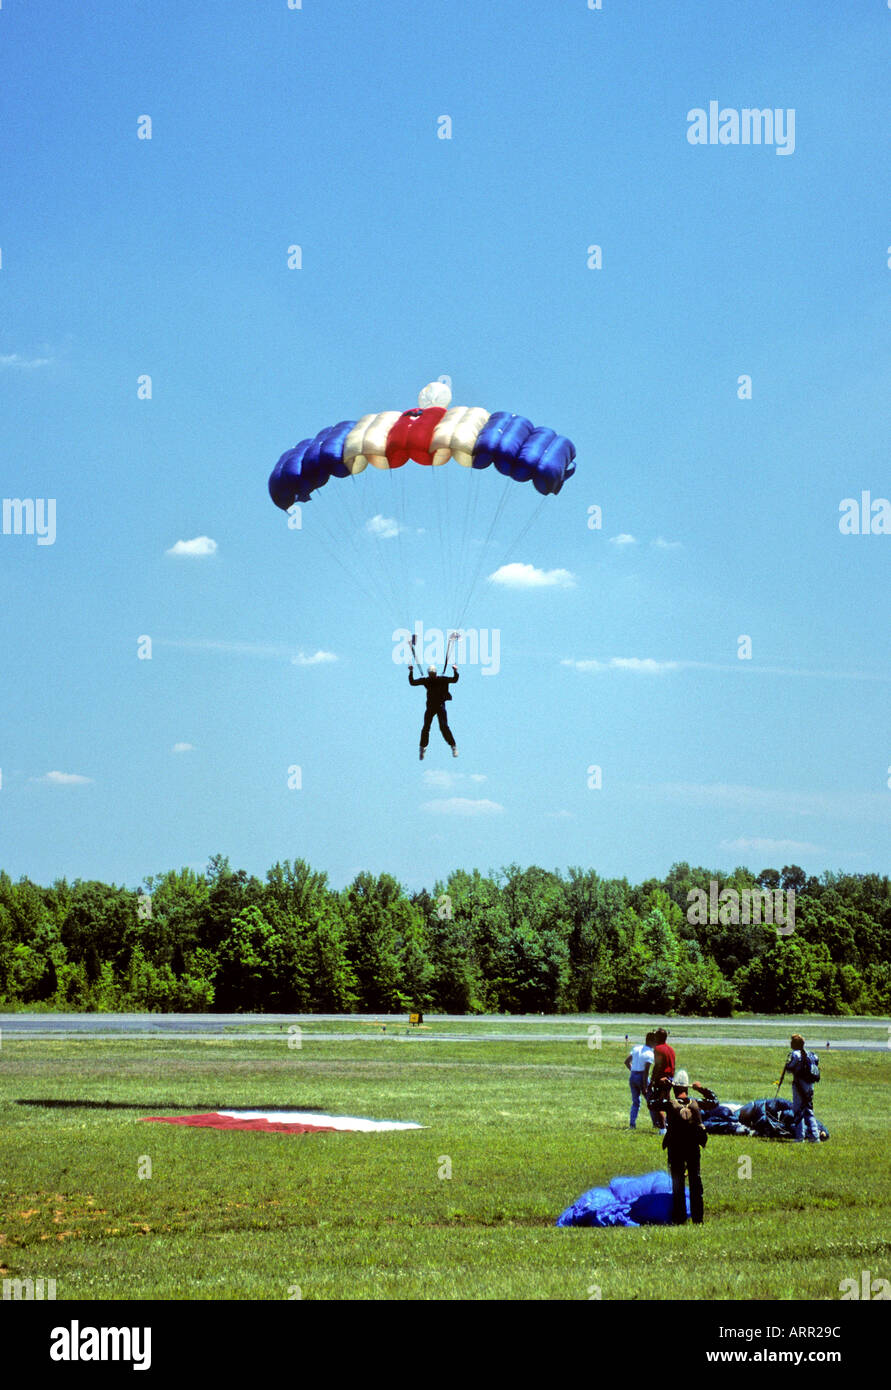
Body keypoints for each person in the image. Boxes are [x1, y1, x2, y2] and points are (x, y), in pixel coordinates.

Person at [661, 1069, 706, 1224]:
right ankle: (698, 1219)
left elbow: (651, 1103)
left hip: (676, 1148)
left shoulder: (669, 1104)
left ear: (674, 1089)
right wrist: (701, 1089)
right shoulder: (696, 1103)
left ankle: (679, 1218)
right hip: (693, 1148)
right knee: (696, 1183)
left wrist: (663, 1088)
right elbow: (715, 1101)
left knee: (678, 1184)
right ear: (687, 1088)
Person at [409, 661, 459, 759]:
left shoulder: (441, 680)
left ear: (435, 673)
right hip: (431, 707)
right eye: (431, 674)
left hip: (440, 706)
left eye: (433, 674)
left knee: (443, 727)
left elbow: (455, 680)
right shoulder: (427, 680)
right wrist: (411, 671)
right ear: (429, 674)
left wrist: (455, 671)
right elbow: (412, 683)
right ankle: (422, 747)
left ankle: (453, 746)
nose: (432, 675)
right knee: (426, 727)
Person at [777, 1033, 821, 1143]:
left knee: (798, 1110)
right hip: (810, 1085)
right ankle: (815, 1136)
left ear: (795, 1044)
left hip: (799, 1085)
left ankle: (800, 1136)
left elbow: (790, 1067)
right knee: (808, 1110)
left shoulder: (796, 1054)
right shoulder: (812, 1054)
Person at [647, 1027, 676, 1133]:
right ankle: (669, 1125)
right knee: (668, 1103)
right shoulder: (670, 1049)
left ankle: (663, 1129)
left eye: (655, 1035)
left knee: (659, 1104)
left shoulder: (658, 1048)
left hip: (661, 1079)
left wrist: (652, 1080)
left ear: (658, 1037)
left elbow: (658, 1066)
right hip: (670, 1077)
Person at [624, 1031, 655, 1129]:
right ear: (651, 1041)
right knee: (651, 1101)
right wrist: (645, 1086)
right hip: (642, 1077)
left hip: (633, 1076)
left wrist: (633, 1070)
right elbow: (646, 1072)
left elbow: (626, 1062)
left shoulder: (636, 1048)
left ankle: (632, 1124)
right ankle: (656, 1123)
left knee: (635, 1102)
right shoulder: (650, 1053)